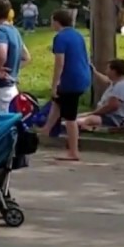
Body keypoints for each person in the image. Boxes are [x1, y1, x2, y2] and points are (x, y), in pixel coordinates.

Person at [41, 9, 90, 161]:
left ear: (57, 22)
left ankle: (73, 151)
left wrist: (55, 83)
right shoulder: (77, 35)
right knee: (57, 103)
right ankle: (45, 131)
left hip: (70, 79)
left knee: (70, 117)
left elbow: (59, 62)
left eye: (52, 21)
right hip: (82, 75)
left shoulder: (60, 38)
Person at [78, 59, 124, 132]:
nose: (106, 71)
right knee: (81, 117)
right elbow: (106, 80)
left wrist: (94, 113)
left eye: (108, 69)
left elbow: (112, 106)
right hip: (111, 116)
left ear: (114, 71)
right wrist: (94, 72)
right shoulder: (119, 81)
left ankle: (95, 128)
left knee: (87, 119)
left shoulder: (121, 86)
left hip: (116, 119)